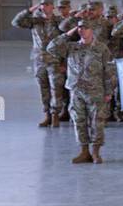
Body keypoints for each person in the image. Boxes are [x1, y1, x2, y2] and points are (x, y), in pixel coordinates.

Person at [45, 19, 116, 164]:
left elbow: (109, 71)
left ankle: (96, 152)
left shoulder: (101, 49)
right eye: (80, 28)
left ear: (92, 30)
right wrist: (68, 34)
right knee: (79, 121)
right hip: (76, 91)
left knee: (97, 122)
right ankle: (84, 152)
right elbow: (51, 48)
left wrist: (109, 91)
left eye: (86, 28)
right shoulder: (71, 47)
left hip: (95, 91)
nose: (82, 30)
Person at [11, 0, 66, 127]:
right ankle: (47, 114)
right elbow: (15, 22)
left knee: (56, 88)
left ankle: (55, 115)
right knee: (43, 88)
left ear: (53, 7)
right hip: (39, 60)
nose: (45, 7)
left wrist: (65, 62)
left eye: (48, 5)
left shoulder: (59, 22)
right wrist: (30, 10)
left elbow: (66, 41)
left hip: (55, 60)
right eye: (42, 5)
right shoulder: (35, 21)